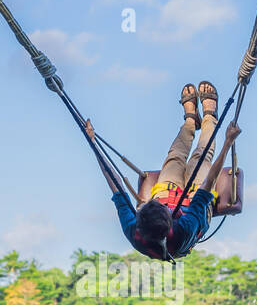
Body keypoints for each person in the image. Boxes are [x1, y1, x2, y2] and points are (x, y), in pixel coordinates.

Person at [88, 82, 242, 261]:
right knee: (201, 155)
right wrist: (227, 143)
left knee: (175, 155)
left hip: (167, 192)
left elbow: (115, 185)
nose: (163, 204)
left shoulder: (132, 229)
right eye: (163, 207)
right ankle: (210, 117)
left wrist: (93, 142)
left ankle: (191, 121)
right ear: (170, 222)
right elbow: (209, 182)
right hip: (193, 205)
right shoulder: (186, 227)